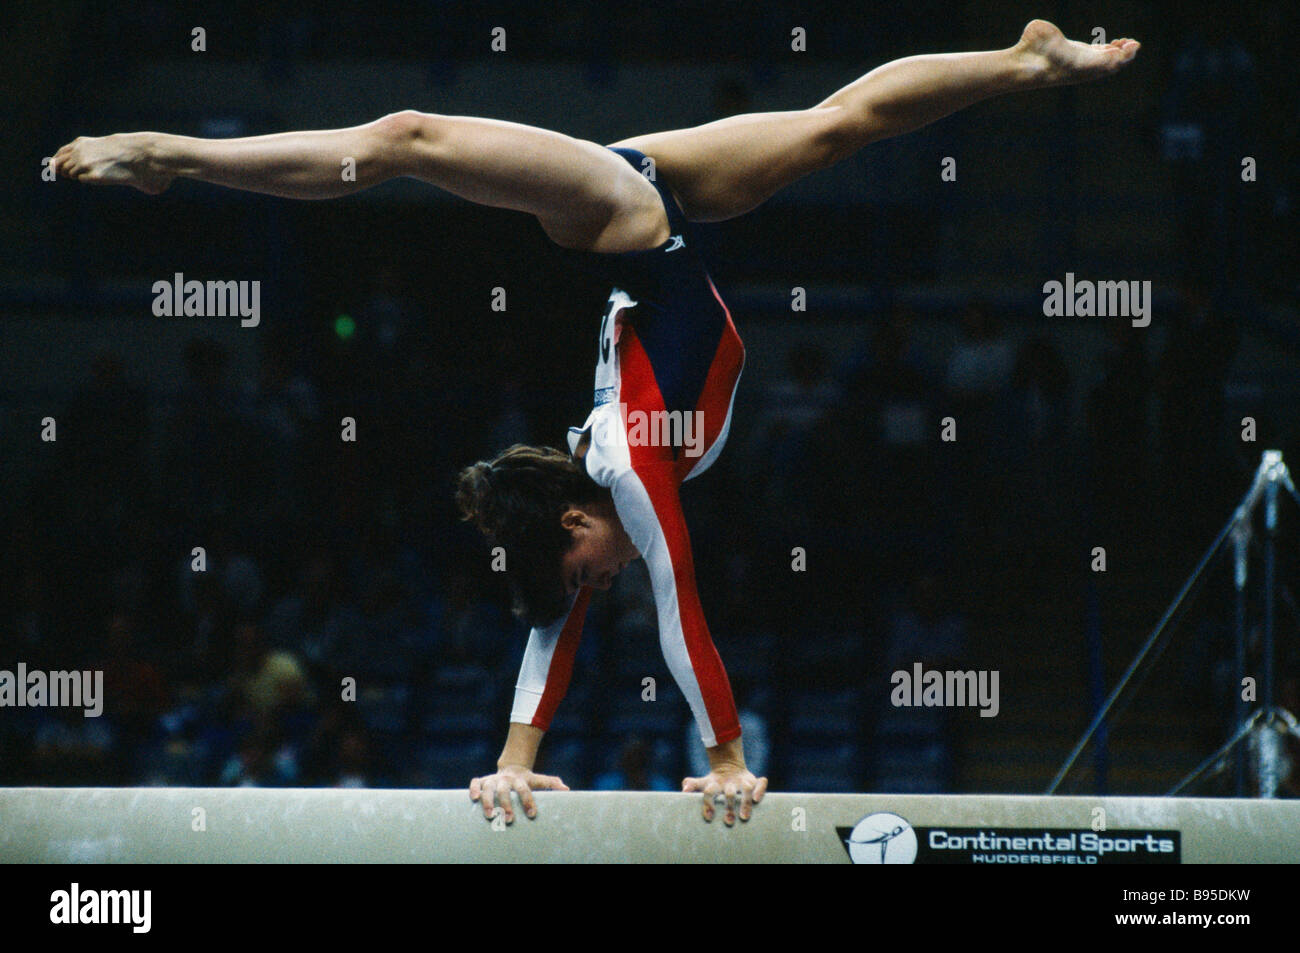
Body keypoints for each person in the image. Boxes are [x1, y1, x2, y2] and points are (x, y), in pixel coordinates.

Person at [56, 20, 1140, 825]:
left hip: (622, 220)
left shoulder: (627, 467)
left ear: (574, 513)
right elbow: (555, 619)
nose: (596, 581)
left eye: (580, 566)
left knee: (404, 136)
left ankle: (168, 154)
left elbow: (680, 600)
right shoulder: (593, 495)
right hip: (660, 222)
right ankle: (1025, 62)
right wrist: (516, 755)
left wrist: (724, 753)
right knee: (833, 128)